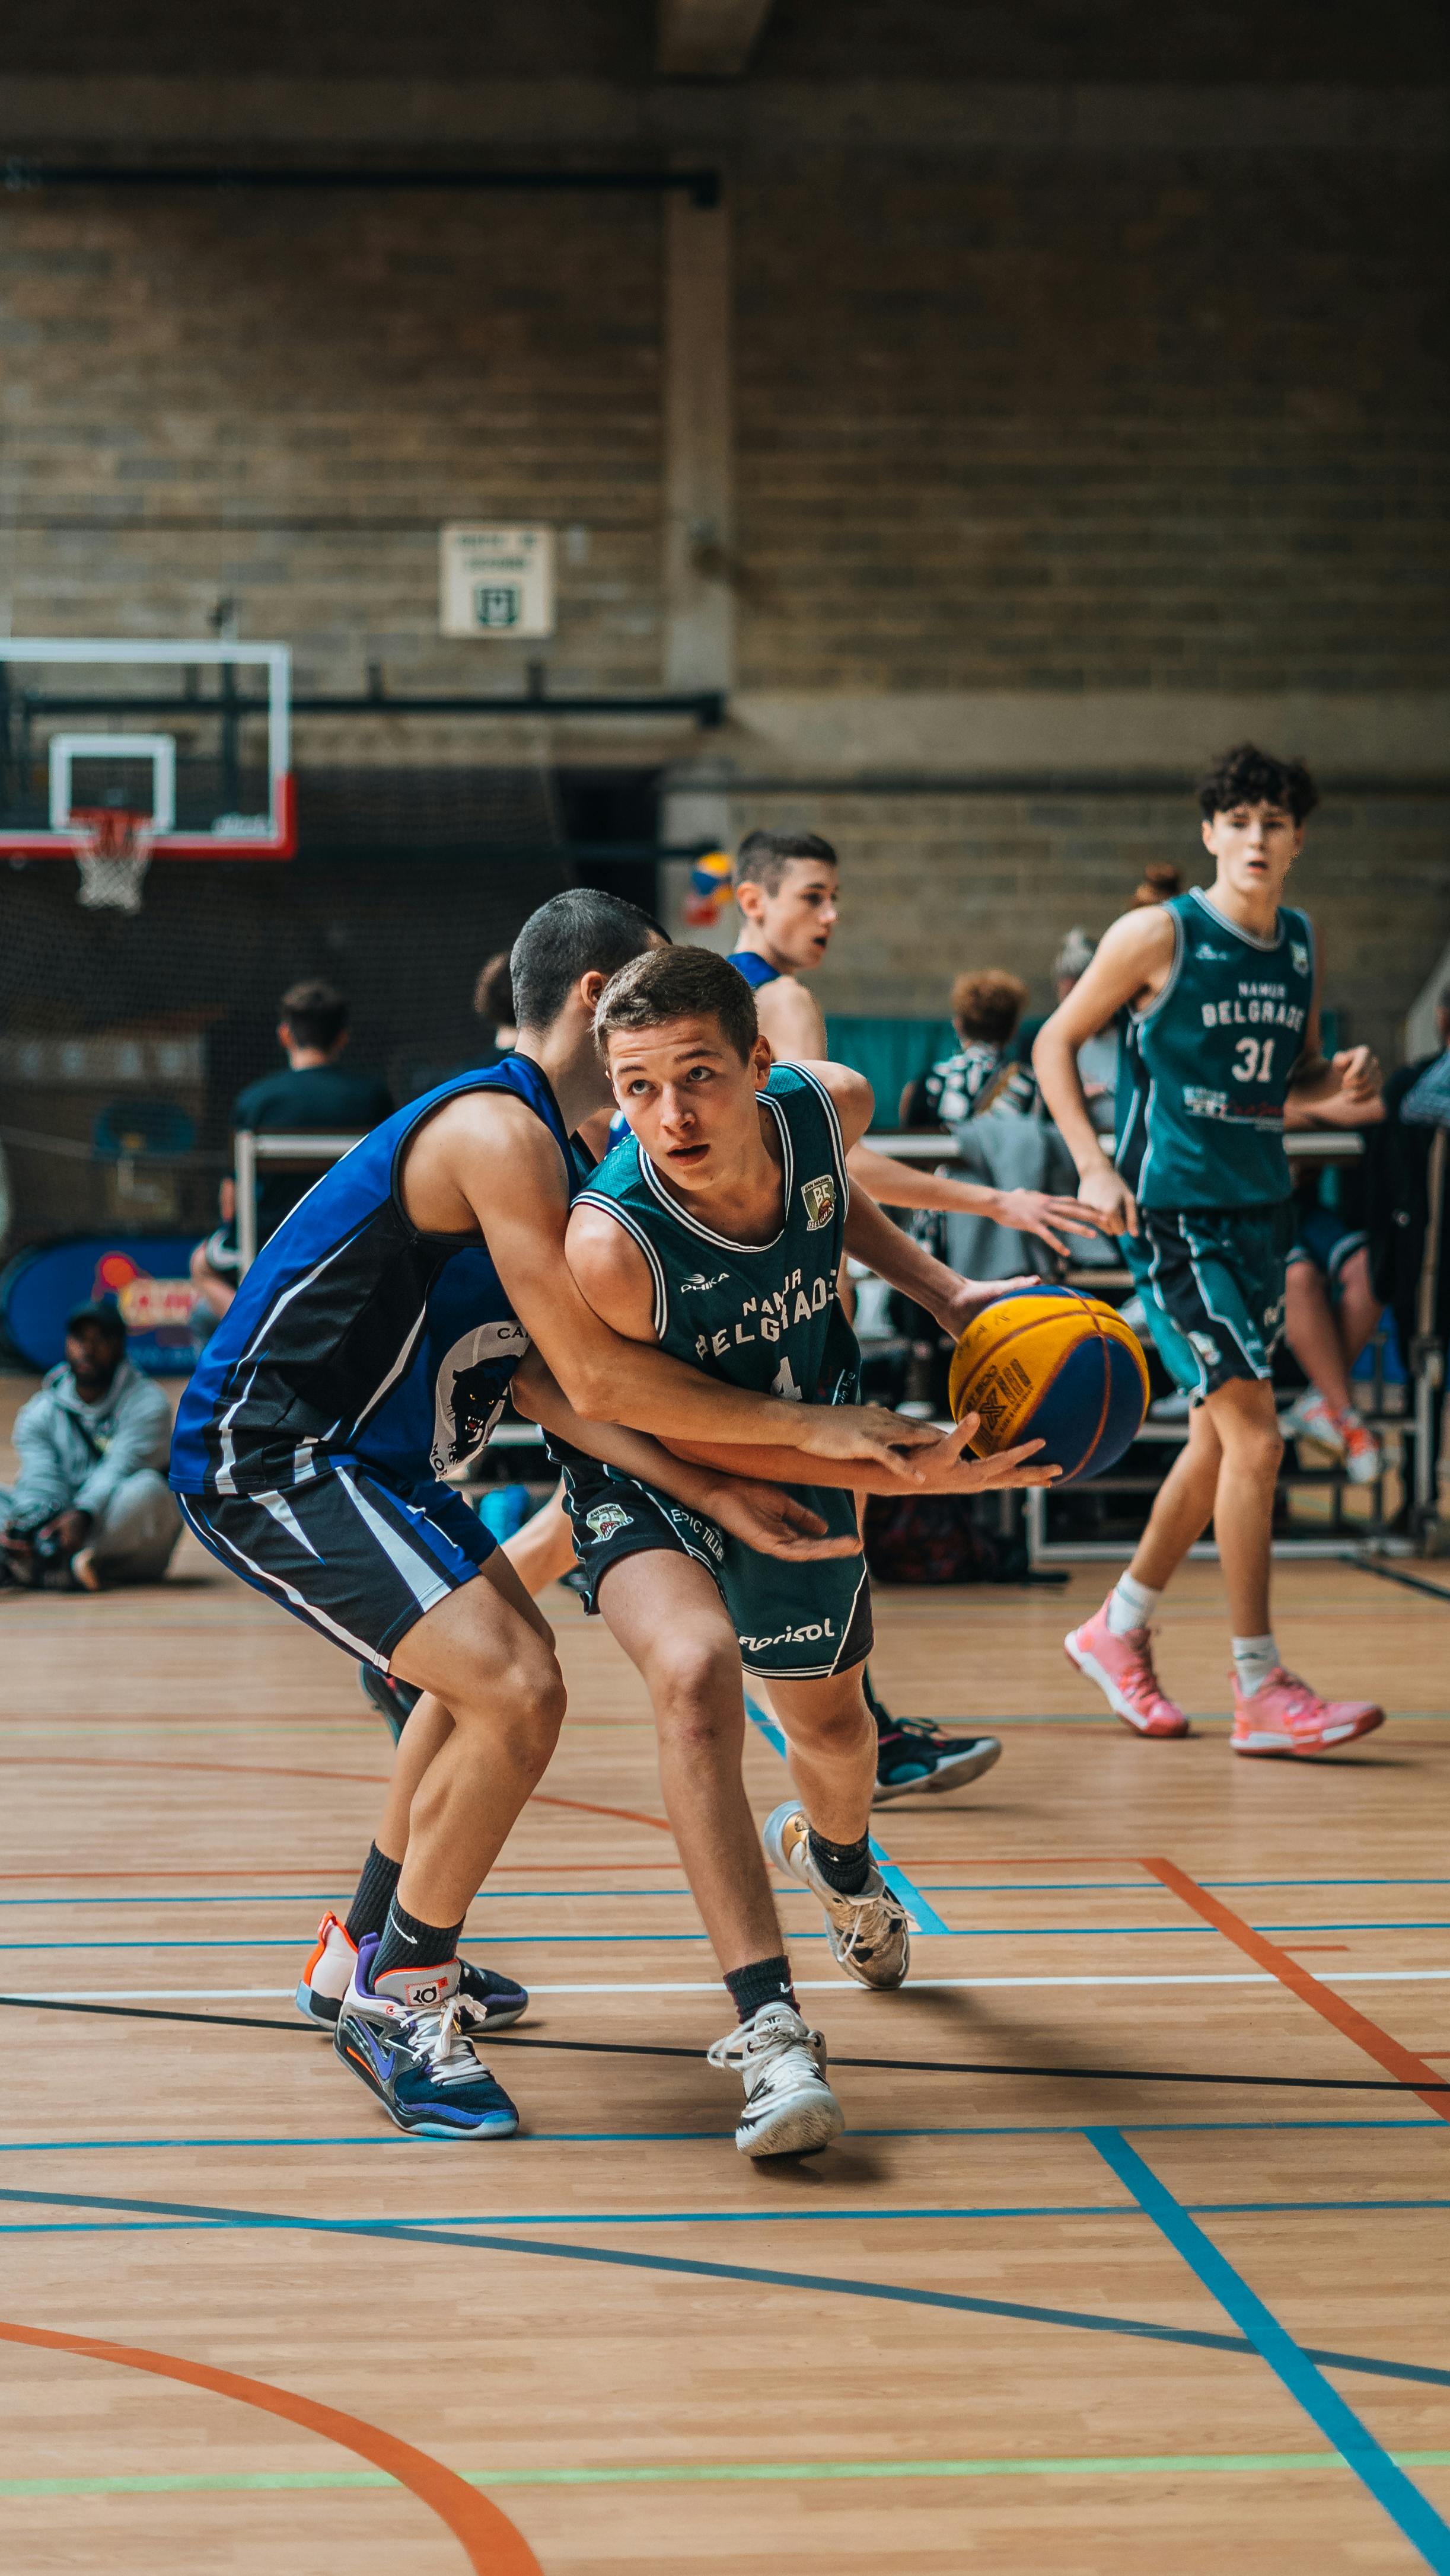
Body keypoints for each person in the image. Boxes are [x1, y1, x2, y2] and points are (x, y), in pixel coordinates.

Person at [172, 890, 945, 2142]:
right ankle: (399, 1994)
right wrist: (810, 1431)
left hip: (386, 1462)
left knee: (465, 1685)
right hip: (278, 1454)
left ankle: (358, 1950)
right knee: (519, 1689)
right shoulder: (495, 1132)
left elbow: (540, 1375)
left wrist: (709, 1486)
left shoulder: (571, 1150)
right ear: (599, 1002)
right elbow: (592, 1380)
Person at [512, 943, 1055, 2154]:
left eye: (698, 1076)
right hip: (645, 1464)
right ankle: (771, 2037)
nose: (671, 1113)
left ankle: (842, 1863)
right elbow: (590, 1398)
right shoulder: (614, 1239)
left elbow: (831, 1196)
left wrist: (938, 1292)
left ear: (760, 1063)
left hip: (809, 1449)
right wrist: (884, 1459)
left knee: (831, 1733)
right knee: (698, 1680)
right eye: (638, 1088)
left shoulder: (822, 1109)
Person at [732, 825, 1109, 1796]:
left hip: (747, 1299)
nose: (831, 914)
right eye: (812, 895)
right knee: (833, 1522)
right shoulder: (780, 999)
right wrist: (993, 1202)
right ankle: (863, 1740)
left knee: (651, 1507)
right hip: (791, 1305)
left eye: (835, 896)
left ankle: (859, 1729)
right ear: (752, 900)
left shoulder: (726, 996)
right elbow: (837, 1166)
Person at [1034, 742, 1387, 1757]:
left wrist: (1336, 1085)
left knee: (1216, 1444)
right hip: (1176, 1216)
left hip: (1260, 1211)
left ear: (1298, 840)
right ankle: (1259, 1683)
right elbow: (1055, 1041)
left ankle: (1119, 1629)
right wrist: (1093, 1167)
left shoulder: (1301, 942)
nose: (1256, 839)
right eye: (1238, 821)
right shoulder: (1159, 933)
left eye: (1275, 823)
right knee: (1262, 1441)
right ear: (1210, 834)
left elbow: (1291, 1078)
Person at [1, 1302, 181, 1594]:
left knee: (150, 1491)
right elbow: (40, 1478)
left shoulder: (149, 1403)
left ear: (120, 1345)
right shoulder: (38, 1411)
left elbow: (119, 1467)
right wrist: (34, 1521)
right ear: (67, 1343)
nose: (88, 1349)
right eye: (80, 1339)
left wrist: (83, 1515)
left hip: (119, 1533)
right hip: (59, 1524)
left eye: (101, 1340)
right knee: (10, 1505)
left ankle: (37, 1568)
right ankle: (53, 1563)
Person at [232, 978, 394, 1248]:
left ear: (285, 1035)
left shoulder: (254, 1101)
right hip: (351, 1244)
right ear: (343, 1037)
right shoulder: (374, 1098)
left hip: (271, 1247)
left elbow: (232, 1203)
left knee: (202, 1262)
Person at [900, 971, 1029, 1130]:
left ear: (959, 1025)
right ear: (1013, 1031)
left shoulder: (931, 1082)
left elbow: (913, 1143)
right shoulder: (1030, 1084)